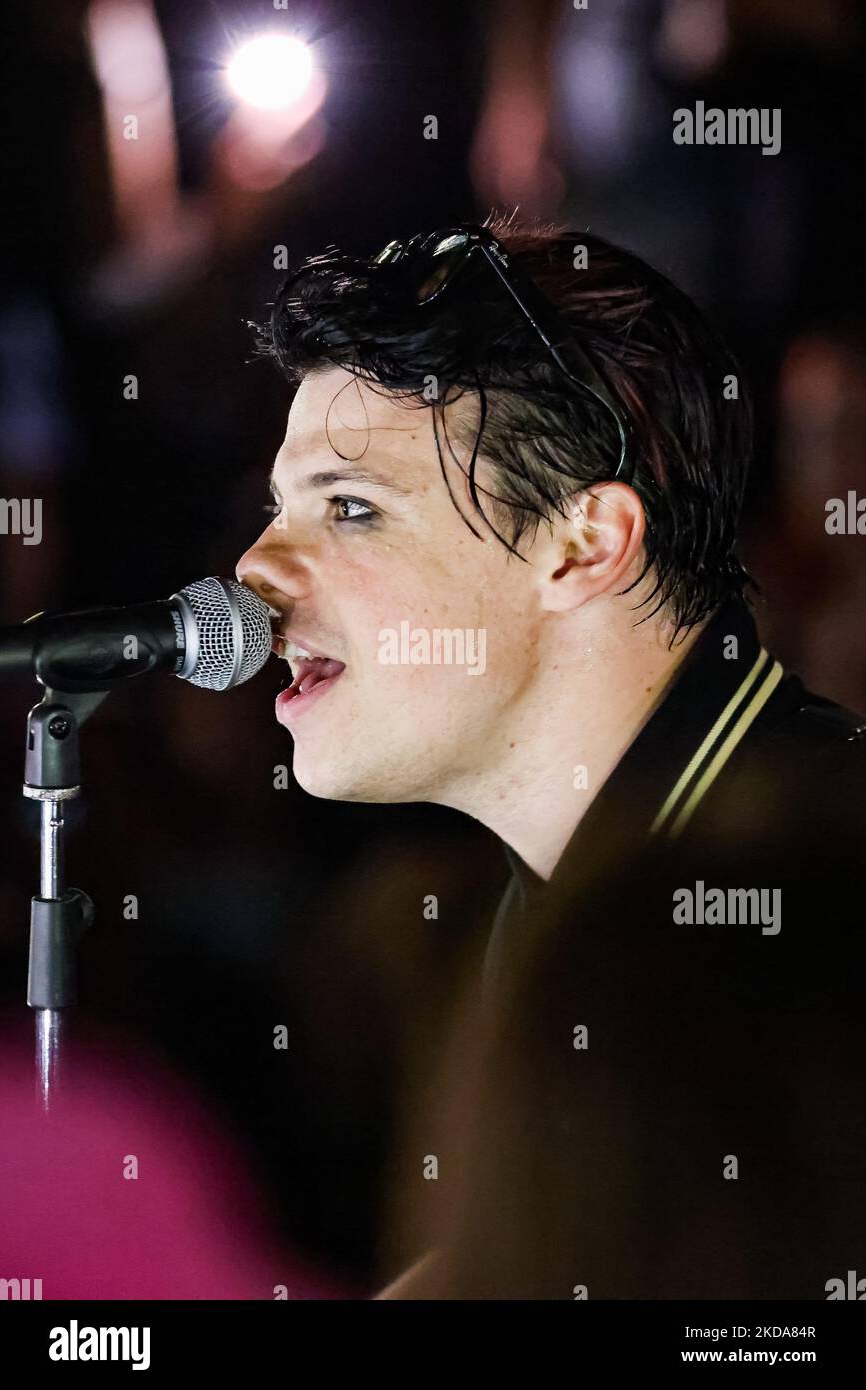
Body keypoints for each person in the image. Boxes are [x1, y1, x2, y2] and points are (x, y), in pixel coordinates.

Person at [235, 215, 866, 1297]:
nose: (253, 570)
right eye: (277, 511)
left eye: (351, 507)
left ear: (583, 544)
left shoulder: (809, 896)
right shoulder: (592, 882)